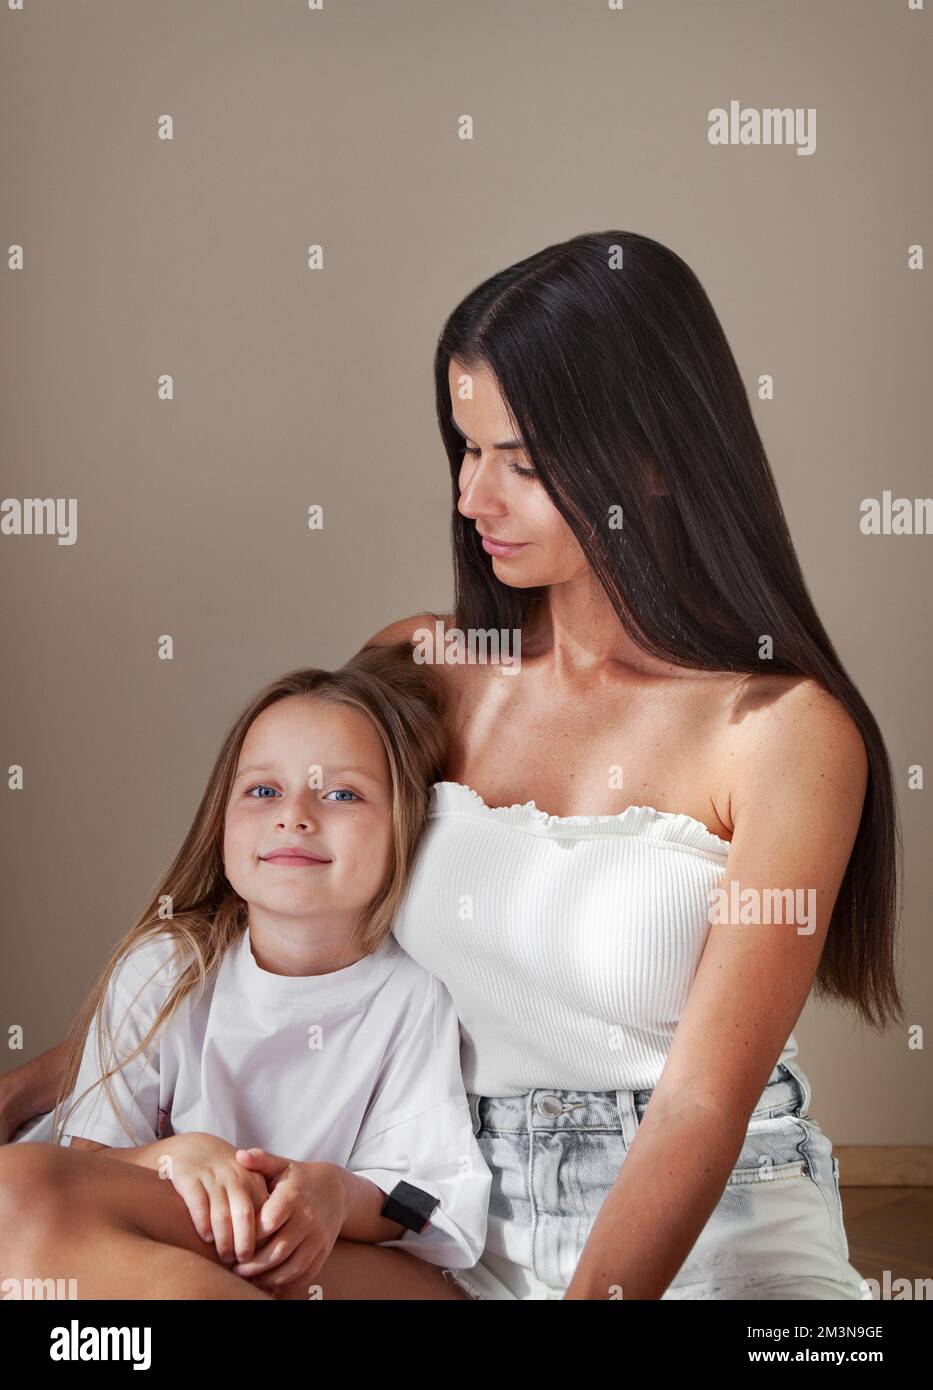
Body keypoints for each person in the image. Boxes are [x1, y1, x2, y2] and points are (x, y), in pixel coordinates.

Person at [1, 229, 902, 1300]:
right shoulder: (425, 667)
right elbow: (241, 911)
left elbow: (703, 1103)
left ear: (655, 460)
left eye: (521, 462)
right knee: (26, 1205)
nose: (475, 498)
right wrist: (31, 1091)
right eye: (465, 450)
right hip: (442, 1218)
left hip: (698, 1229)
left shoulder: (785, 732)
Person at [0, 645, 491, 1299]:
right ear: (221, 823)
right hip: (189, 1244)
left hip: (339, 1264)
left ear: (406, 825)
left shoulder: (417, 991)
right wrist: (171, 1156)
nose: (294, 816)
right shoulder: (164, 969)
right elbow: (89, 1166)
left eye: (341, 794)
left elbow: (427, 1204)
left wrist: (333, 1195)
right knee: (21, 1190)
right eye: (263, 791)